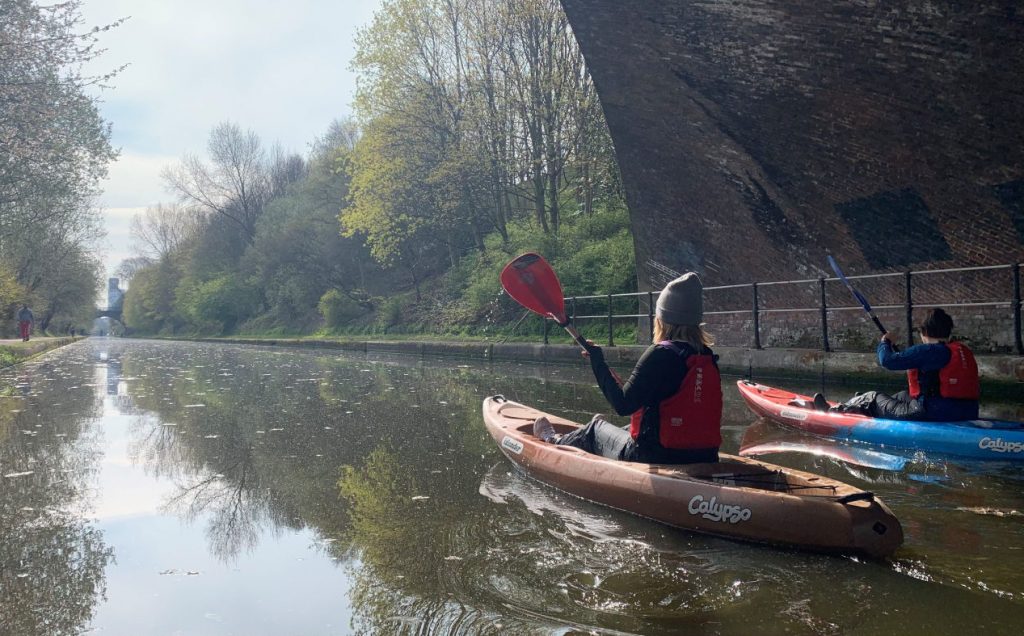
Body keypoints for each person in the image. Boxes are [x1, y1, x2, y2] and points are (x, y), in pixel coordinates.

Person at [533, 272, 723, 463]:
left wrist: (597, 362)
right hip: (705, 454)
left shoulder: (661, 353)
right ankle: (598, 428)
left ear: (662, 320)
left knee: (593, 430)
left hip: (655, 456)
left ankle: (553, 440)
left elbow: (623, 404)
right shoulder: (706, 356)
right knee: (626, 427)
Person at [813, 308, 979, 421]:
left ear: (924, 332)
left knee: (873, 396)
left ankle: (831, 412)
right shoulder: (960, 350)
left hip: (931, 414)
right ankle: (859, 405)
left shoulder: (927, 350)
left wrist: (885, 342)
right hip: (966, 411)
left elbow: (887, 360)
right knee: (901, 395)